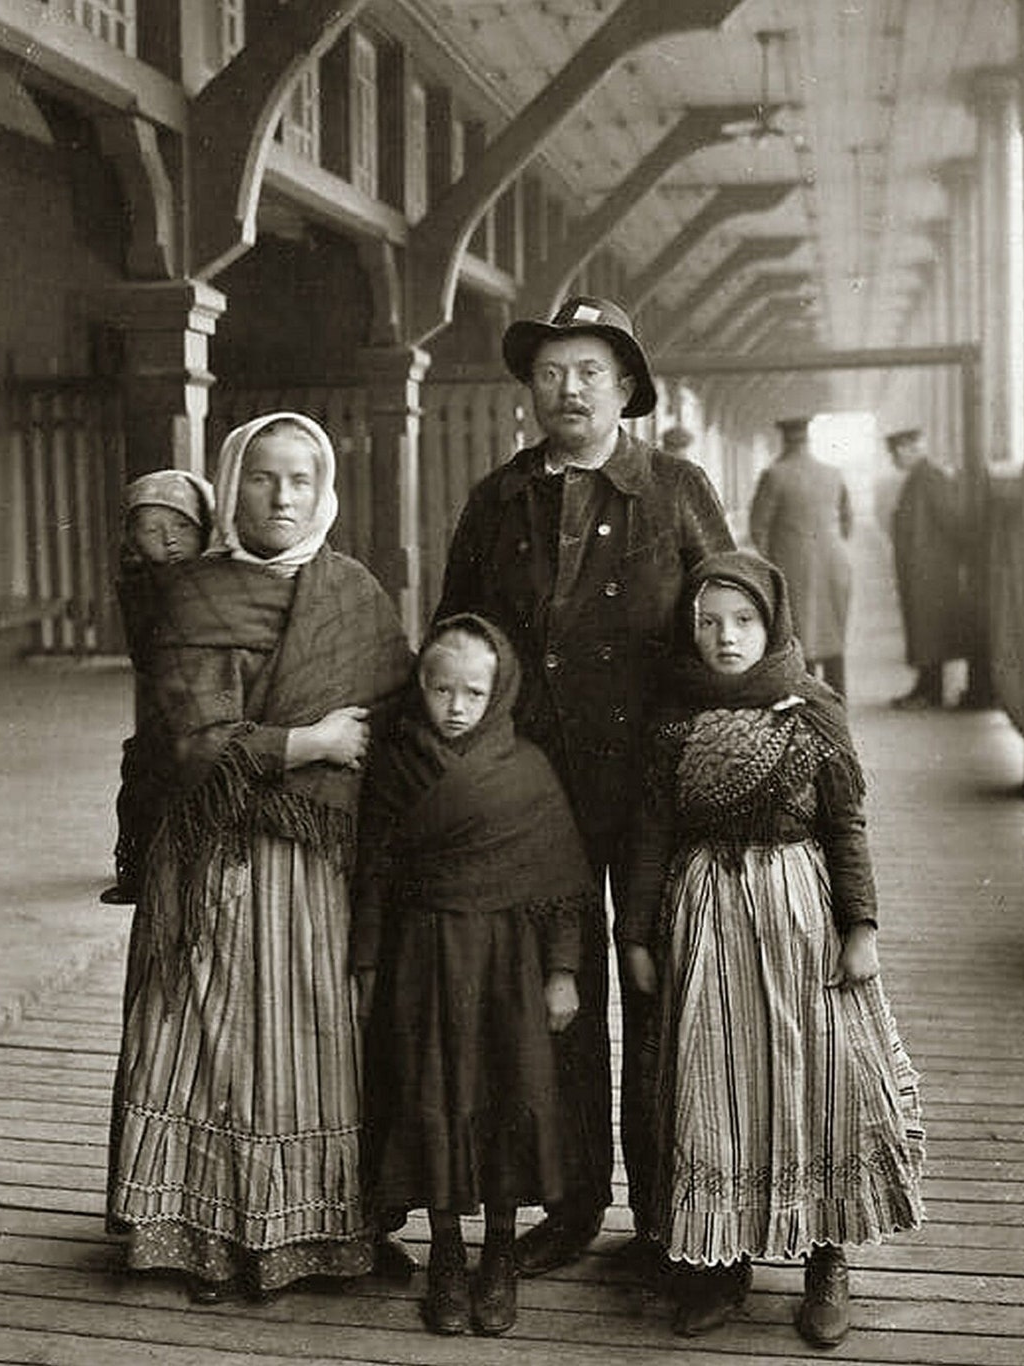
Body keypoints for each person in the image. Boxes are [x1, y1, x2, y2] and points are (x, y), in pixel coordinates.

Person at [434, 295, 734, 1275]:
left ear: (627, 390)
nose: (568, 389)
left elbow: (737, 623)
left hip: (658, 794)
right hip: (536, 798)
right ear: (530, 388)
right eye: (551, 372)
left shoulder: (679, 490)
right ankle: (566, 1204)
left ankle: (665, 1210)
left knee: (661, 991)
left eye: (590, 372)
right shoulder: (497, 498)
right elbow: (458, 636)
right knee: (553, 1002)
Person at [106, 412, 412, 1304]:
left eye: (301, 481)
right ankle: (196, 1231)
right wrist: (307, 743)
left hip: (318, 868)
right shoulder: (194, 594)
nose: (282, 497)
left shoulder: (352, 591)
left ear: (324, 494)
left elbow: (392, 722)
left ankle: (314, 1230)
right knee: (206, 1033)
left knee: (314, 1037)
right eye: (263, 478)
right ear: (231, 485)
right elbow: (192, 742)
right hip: (213, 858)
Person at [622, 550, 925, 1347]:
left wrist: (860, 928)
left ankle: (828, 1258)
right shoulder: (672, 722)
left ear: (773, 622)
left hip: (798, 917)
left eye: (745, 621)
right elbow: (649, 836)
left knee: (818, 1083)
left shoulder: (813, 712)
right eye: (709, 622)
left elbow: (845, 828)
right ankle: (719, 1264)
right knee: (716, 1088)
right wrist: (636, 936)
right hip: (708, 920)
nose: (727, 637)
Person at [353, 614, 595, 1336]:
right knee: (432, 1094)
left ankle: (498, 1253)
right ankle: (447, 1253)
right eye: (439, 689)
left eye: (473, 691)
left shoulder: (527, 770)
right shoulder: (396, 767)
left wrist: (563, 973)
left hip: (508, 968)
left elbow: (559, 886)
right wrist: (366, 961)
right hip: (423, 963)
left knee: (505, 1095)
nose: (455, 706)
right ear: (419, 686)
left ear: (500, 689)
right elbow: (373, 872)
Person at [100, 469, 214, 906]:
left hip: (208, 701)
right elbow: (146, 653)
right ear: (132, 537)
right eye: (152, 529)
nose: (168, 539)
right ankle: (136, 871)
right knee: (141, 782)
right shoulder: (138, 584)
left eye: (182, 526)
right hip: (163, 705)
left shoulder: (215, 577)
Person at [749, 416, 853, 698]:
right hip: (835, 562)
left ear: (785, 440)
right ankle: (837, 701)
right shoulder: (834, 473)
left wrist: (773, 561)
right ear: (808, 439)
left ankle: (808, 706)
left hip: (792, 565)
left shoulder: (774, 474)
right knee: (833, 633)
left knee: (799, 636)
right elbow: (848, 521)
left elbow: (758, 528)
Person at [885, 427, 967, 708]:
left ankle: (930, 693)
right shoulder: (920, 477)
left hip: (932, 571)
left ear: (910, 448)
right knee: (923, 629)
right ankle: (925, 687)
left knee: (929, 629)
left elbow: (953, 521)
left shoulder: (930, 477)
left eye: (896, 454)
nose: (894, 460)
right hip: (922, 568)